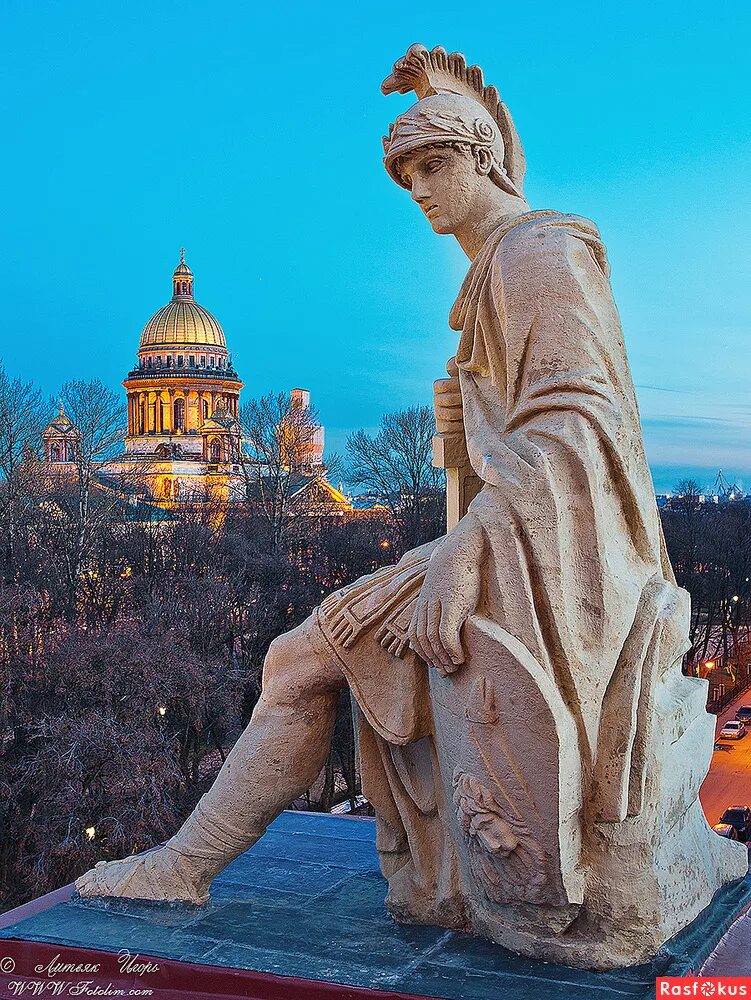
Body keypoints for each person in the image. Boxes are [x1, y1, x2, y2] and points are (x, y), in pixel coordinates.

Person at [77, 46, 743, 967]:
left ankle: (183, 867)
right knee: (296, 657)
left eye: (432, 167)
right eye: (406, 177)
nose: (419, 193)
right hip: (515, 533)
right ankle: (189, 864)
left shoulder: (537, 249)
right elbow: (545, 427)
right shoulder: (499, 265)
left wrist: (465, 548)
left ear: (484, 160)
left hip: (535, 557)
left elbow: (578, 420)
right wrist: (464, 450)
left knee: (298, 659)